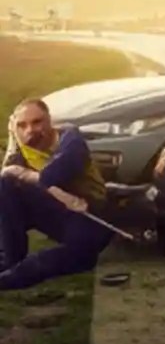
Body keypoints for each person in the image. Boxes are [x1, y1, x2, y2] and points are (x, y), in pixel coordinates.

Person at [0, 98, 113, 290]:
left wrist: (21, 172)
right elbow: (7, 173)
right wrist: (13, 138)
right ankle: (11, 259)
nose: (30, 131)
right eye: (22, 125)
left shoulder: (71, 140)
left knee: (80, 256)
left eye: (37, 122)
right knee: (5, 186)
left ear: (50, 120)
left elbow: (52, 175)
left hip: (91, 215)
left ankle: (12, 277)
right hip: (59, 209)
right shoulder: (23, 143)